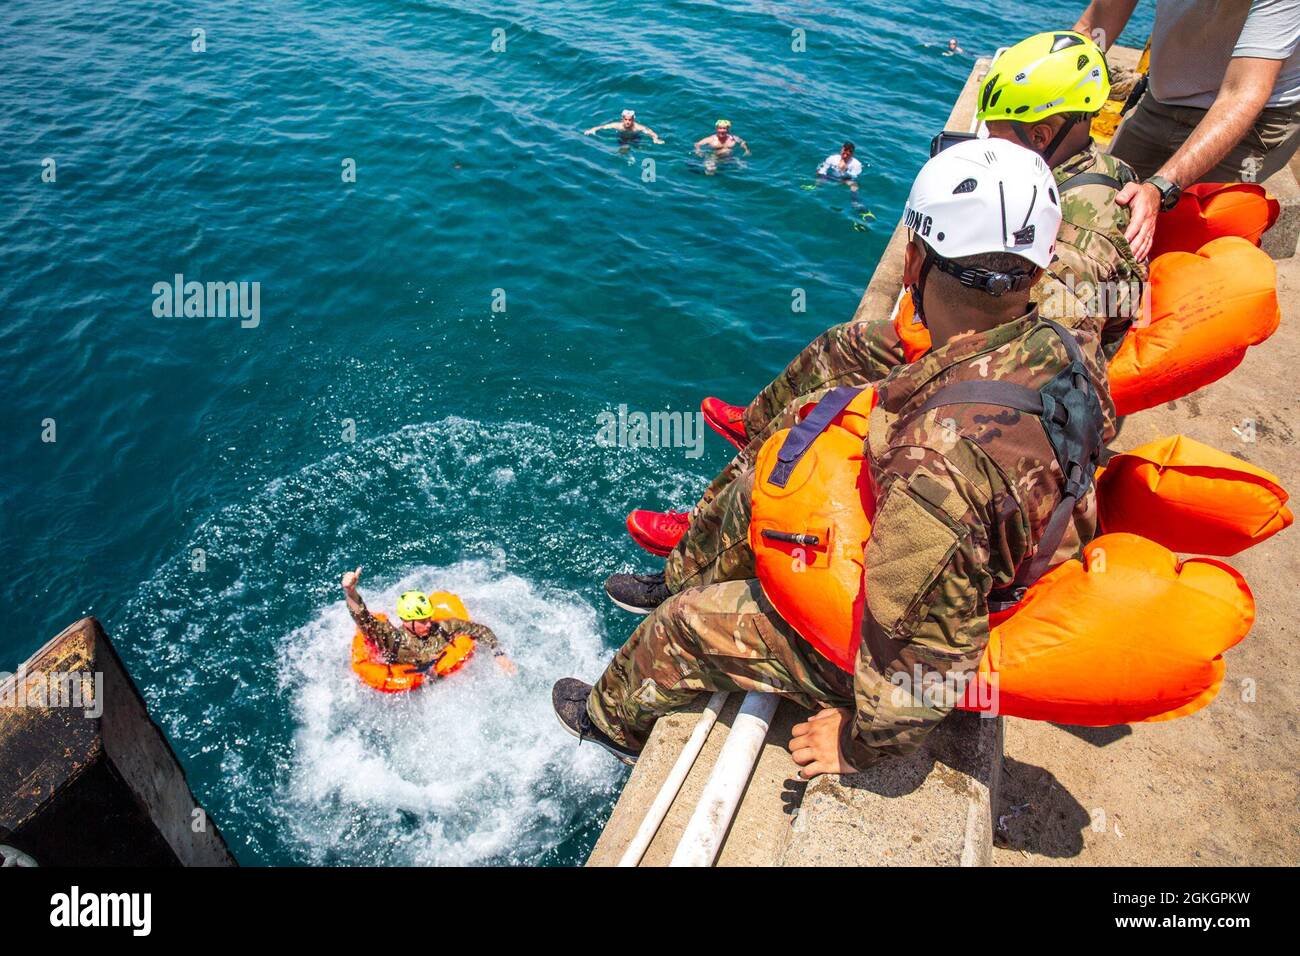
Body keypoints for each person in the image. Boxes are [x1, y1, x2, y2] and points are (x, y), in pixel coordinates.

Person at [555, 139, 1115, 774]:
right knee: (759, 485)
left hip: (954, 614)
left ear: (912, 264)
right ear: (1037, 273)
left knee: (680, 627)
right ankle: (683, 572)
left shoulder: (938, 465)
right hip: (1012, 539)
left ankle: (609, 723)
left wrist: (857, 744)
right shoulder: (1063, 338)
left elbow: (926, 662)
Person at [626, 30, 1143, 559]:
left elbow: (1052, 356)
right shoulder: (1088, 174)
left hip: (1000, 389)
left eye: (998, 135)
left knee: (811, 416)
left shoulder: (1083, 237)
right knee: (843, 344)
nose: (986, 145)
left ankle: (702, 538)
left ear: (1044, 133)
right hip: (996, 347)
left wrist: (920, 380)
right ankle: (752, 427)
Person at [1075, 0, 1300, 260]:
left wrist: (1159, 188)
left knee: (1183, 248)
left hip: (1255, 117)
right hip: (1163, 97)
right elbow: (1097, 24)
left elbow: (1242, 94)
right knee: (1095, 206)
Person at [341, 567, 516, 674]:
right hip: (406, 679)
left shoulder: (443, 628)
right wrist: (350, 592)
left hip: (440, 675)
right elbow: (363, 618)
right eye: (422, 621)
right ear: (406, 620)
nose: (429, 624)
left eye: (429, 618)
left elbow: (480, 630)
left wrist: (498, 654)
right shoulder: (392, 639)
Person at [584, 109, 665, 145]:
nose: (627, 122)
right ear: (622, 119)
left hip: (635, 136)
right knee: (623, 150)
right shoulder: (617, 125)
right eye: (626, 119)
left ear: (633, 119)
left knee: (638, 147)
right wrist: (592, 129)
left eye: (630, 120)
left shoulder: (637, 127)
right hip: (622, 137)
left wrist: (655, 138)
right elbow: (603, 126)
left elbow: (650, 131)